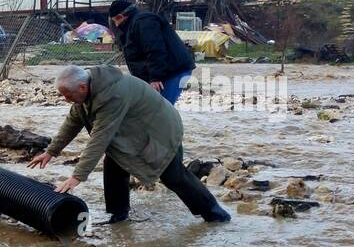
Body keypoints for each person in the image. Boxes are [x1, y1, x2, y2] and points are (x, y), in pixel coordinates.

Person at [28, 65, 230, 224]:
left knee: (172, 175)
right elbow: (73, 121)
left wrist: (77, 177)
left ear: (82, 87)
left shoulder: (111, 94)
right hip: (134, 129)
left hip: (158, 130)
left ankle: (215, 214)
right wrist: (51, 152)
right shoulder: (87, 91)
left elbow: (100, 138)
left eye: (68, 96)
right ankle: (119, 215)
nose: (67, 100)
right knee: (114, 163)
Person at [107, 0, 195, 105]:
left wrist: (155, 78)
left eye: (115, 21)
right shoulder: (133, 24)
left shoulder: (144, 21)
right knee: (153, 109)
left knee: (161, 109)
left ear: (121, 16)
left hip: (172, 71)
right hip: (164, 72)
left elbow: (155, 49)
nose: (116, 25)